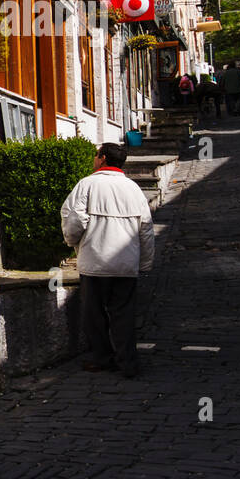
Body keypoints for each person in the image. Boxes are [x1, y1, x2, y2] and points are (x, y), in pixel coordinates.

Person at [60, 142, 154, 379]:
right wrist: (144, 263)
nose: (94, 158)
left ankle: (103, 358)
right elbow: (146, 228)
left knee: (94, 315)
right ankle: (128, 363)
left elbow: (74, 221)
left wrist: (72, 243)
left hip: (95, 263)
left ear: (102, 158)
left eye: (96, 155)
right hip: (125, 264)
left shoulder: (87, 185)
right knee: (124, 314)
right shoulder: (133, 189)